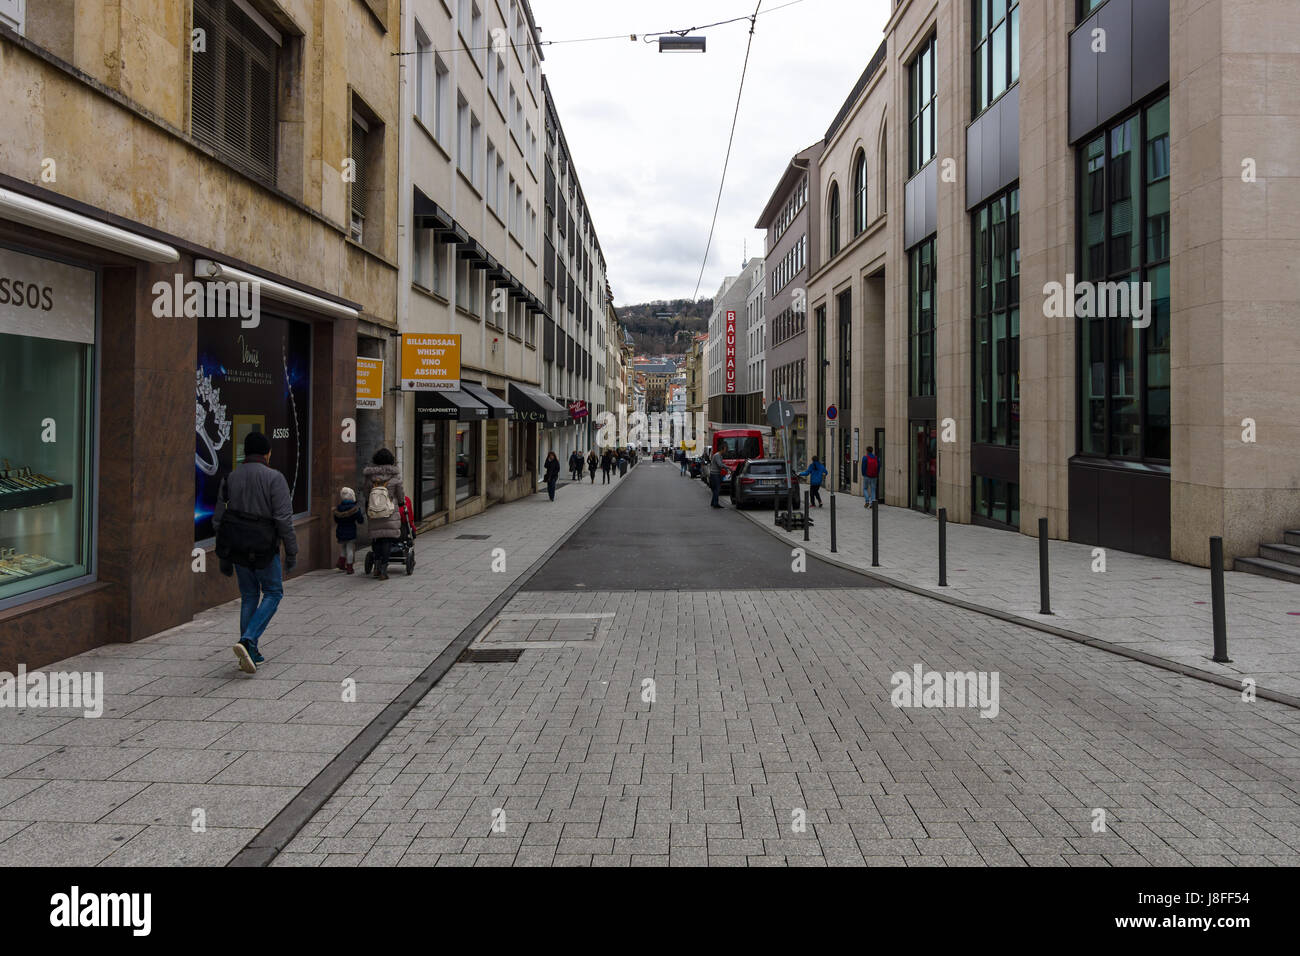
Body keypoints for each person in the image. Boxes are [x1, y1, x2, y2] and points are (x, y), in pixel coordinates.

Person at [213, 430, 298, 674]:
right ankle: (248, 640)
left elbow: (219, 519)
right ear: (267, 453)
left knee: (249, 595)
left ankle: (249, 653)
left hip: (238, 547)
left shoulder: (230, 478)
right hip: (264, 547)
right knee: (273, 592)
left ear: (245, 453)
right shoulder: (275, 478)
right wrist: (291, 553)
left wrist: (224, 555)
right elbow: (284, 520)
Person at [363, 447, 404, 582]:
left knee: (377, 539)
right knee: (387, 540)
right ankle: (383, 571)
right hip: (390, 512)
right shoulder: (395, 477)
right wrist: (401, 503)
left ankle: (376, 566)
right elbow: (401, 495)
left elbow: (366, 493)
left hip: (374, 512)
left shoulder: (370, 477)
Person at [333, 486, 364, 575]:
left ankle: (341, 563)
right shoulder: (354, 508)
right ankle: (349, 567)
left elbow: (336, 520)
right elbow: (360, 520)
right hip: (351, 530)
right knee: (350, 549)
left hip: (340, 530)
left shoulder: (338, 508)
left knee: (343, 547)